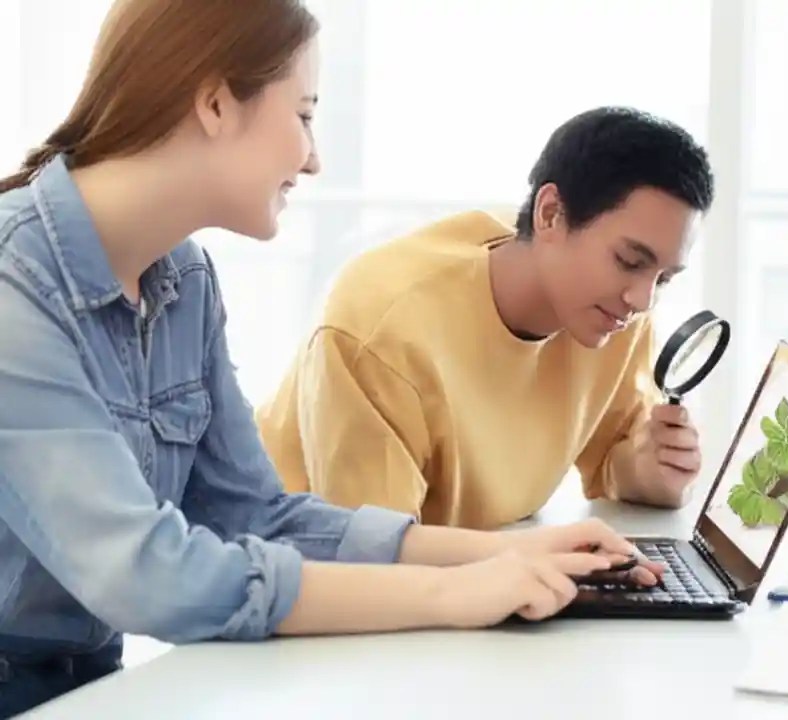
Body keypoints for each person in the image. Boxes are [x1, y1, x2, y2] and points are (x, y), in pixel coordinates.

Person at [0, 1, 659, 715]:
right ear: (217, 103)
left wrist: (505, 556)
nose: (313, 157)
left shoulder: (182, 281)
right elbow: (146, 575)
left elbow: (257, 515)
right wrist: (451, 593)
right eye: (306, 115)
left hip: (87, 692)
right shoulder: (15, 288)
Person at [255, 106, 715, 529]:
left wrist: (648, 472)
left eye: (665, 278)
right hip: (285, 573)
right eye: (630, 261)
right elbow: (372, 557)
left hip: (457, 579)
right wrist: (533, 563)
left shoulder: (614, 311)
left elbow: (614, 458)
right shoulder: (381, 326)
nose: (643, 299)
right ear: (550, 214)